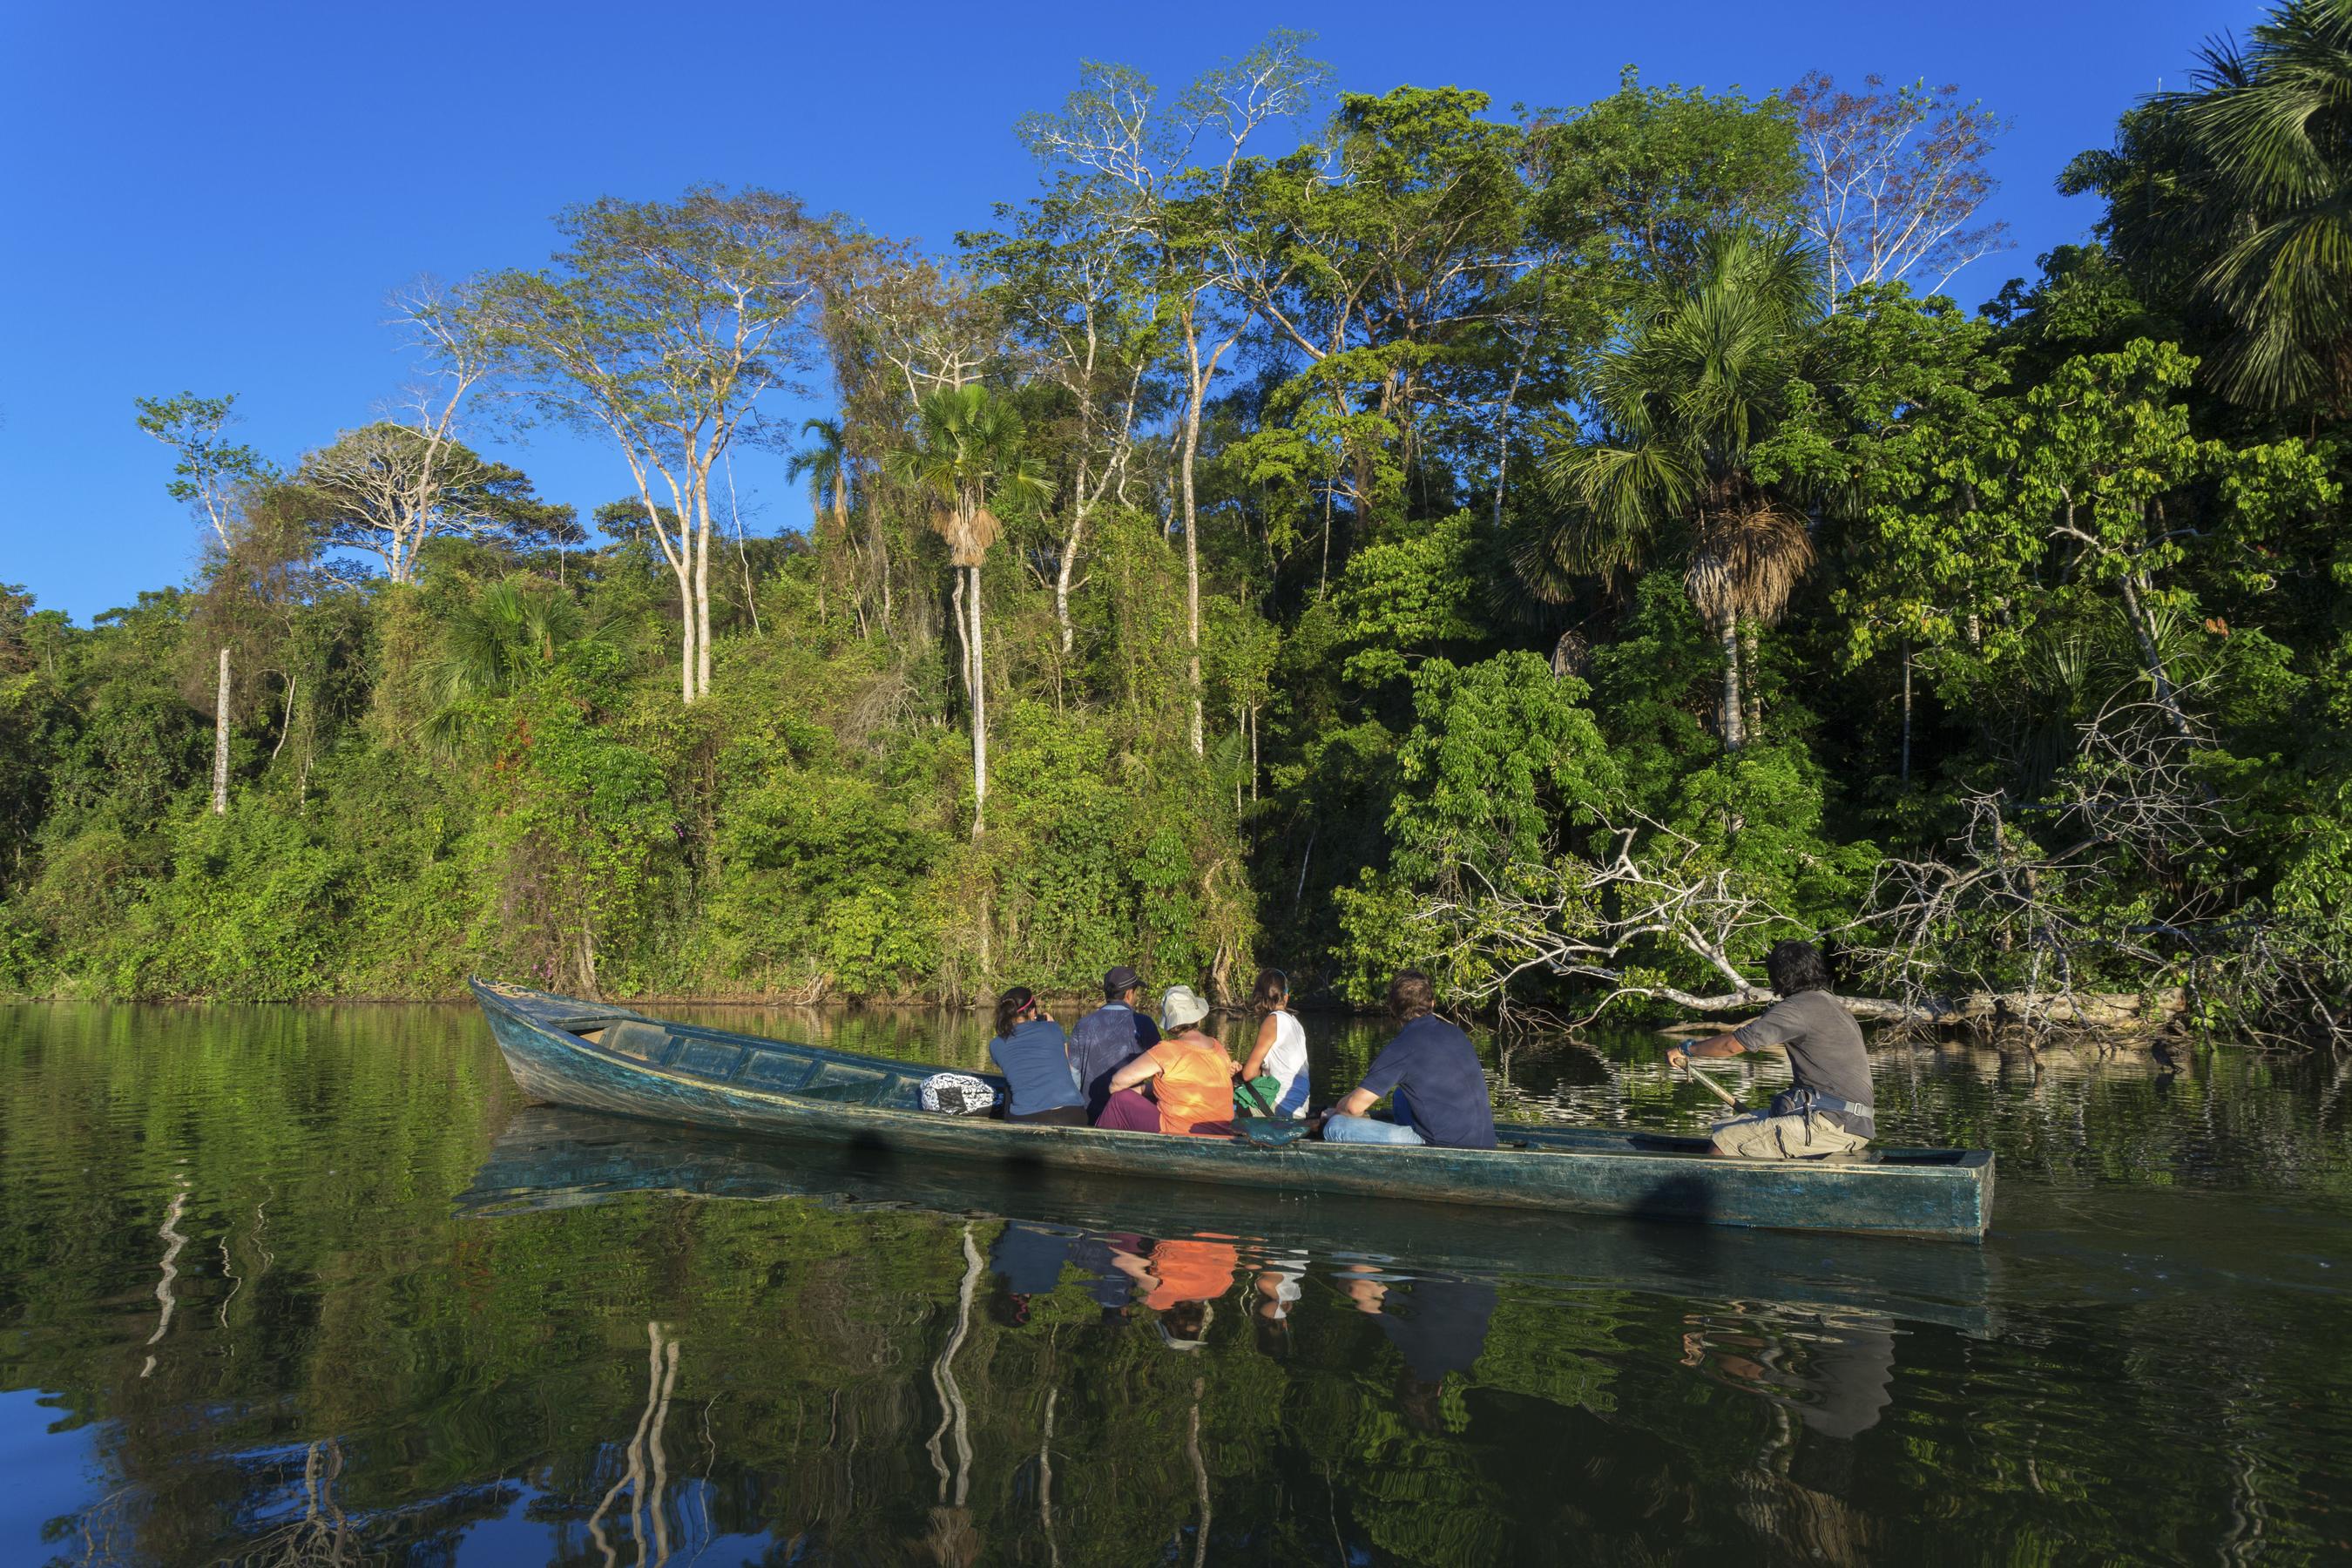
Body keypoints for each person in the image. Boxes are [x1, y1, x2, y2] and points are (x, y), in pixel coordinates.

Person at [1666, 938, 1875, 1159]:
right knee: (1726, 1127)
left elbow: (1732, 1045)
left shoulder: (1796, 1009)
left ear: (1778, 976)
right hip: (1847, 1123)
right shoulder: (1831, 1003)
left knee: (1725, 1142)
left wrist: (1687, 1049)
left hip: (1833, 1125)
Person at [1320, 970, 1497, 1149]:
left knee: (1336, 1127)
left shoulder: (1401, 1047)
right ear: (1433, 1003)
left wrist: (1337, 1111)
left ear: (1392, 1008)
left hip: (1442, 1146)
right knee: (1401, 1095)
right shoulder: (1456, 1032)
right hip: (1485, 1141)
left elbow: (1353, 1108)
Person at [1094, 985, 1239, 1134]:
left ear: (1170, 1025)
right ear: (1198, 1018)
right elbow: (1189, 1084)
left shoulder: (1167, 1050)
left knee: (1120, 1099)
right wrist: (1144, 1090)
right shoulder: (1218, 1047)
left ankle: (1096, 1144)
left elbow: (1116, 1083)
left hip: (1180, 1131)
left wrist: (1137, 1091)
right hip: (1223, 1131)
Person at [985, 986, 1087, 1126]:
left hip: (1027, 1118)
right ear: (1032, 1011)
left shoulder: (995, 1045)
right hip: (1073, 1115)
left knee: (1009, 1085)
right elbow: (1067, 1066)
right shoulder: (1053, 1028)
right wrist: (1051, 1024)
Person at [1069, 964, 1159, 1120]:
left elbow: (1074, 1074)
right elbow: (1161, 1070)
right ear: (1129, 994)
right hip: (1129, 1115)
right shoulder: (1144, 1023)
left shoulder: (1083, 1024)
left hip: (1091, 1113)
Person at [1236, 967, 1309, 1119]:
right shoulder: (1296, 1024)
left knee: (1223, 1103)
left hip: (1281, 1108)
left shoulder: (1273, 1021)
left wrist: (1239, 1072)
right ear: (1286, 996)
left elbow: (1248, 1074)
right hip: (1299, 1109)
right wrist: (1244, 1069)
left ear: (1259, 998)